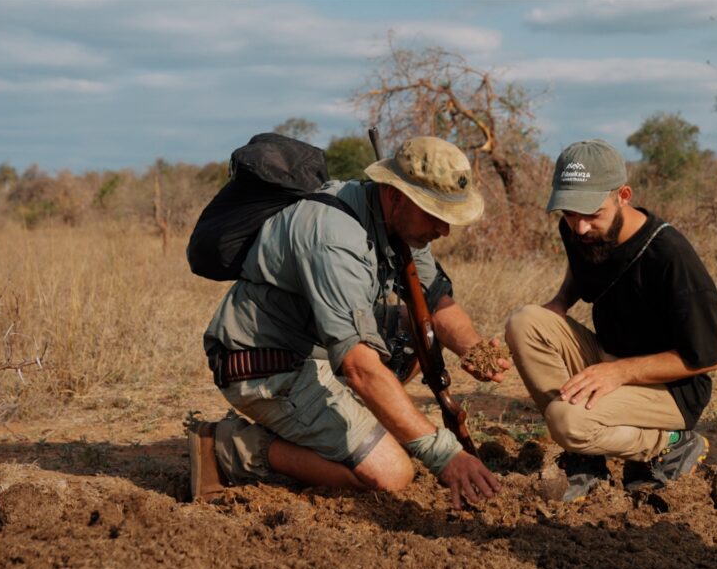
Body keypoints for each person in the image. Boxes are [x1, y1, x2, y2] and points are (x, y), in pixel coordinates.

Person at [189, 136, 510, 510]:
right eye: (435, 215)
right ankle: (231, 449)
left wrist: (473, 348)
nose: (444, 231)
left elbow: (435, 299)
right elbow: (360, 367)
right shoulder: (336, 239)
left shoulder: (401, 225)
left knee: (412, 329)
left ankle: (356, 427)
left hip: (318, 352)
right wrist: (445, 455)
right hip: (269, 368)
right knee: (391, 474)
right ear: (396, 195)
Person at [504, 139, 717, 501]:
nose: (581, 228)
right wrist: (559, 303)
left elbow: (707, 357)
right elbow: (584, 264)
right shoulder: (577, 228)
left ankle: (668, 443)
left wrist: (620, 372)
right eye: (570, 213)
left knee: (565, 420)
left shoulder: (670, 257)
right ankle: (587, 459)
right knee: (525, 321)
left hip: (670, 389)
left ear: (623, 194)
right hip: (608, 360)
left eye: (592, 213)